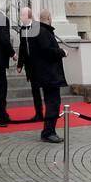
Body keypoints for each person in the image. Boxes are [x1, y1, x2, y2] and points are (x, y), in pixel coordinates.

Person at [26, 9, 68, 143]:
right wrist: (62, 51)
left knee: (52, 103)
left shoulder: (39, 30)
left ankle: (49, 131)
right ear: (49, 18)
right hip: (49, 75)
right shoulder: (43, 31)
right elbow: (47, 51)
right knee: (53, 103)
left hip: (46, 74)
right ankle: (48, 132)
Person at [15, 6, 43, 122]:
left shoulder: (37, 26)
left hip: (40, 64)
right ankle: (39, 113)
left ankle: (51, 111)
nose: (20, 17)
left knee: (45, 89)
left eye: (22, 15)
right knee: (35, 89)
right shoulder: (22, 29)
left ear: (28, 16)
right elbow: (22, 47)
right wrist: (20, 64)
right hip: (30, 65)